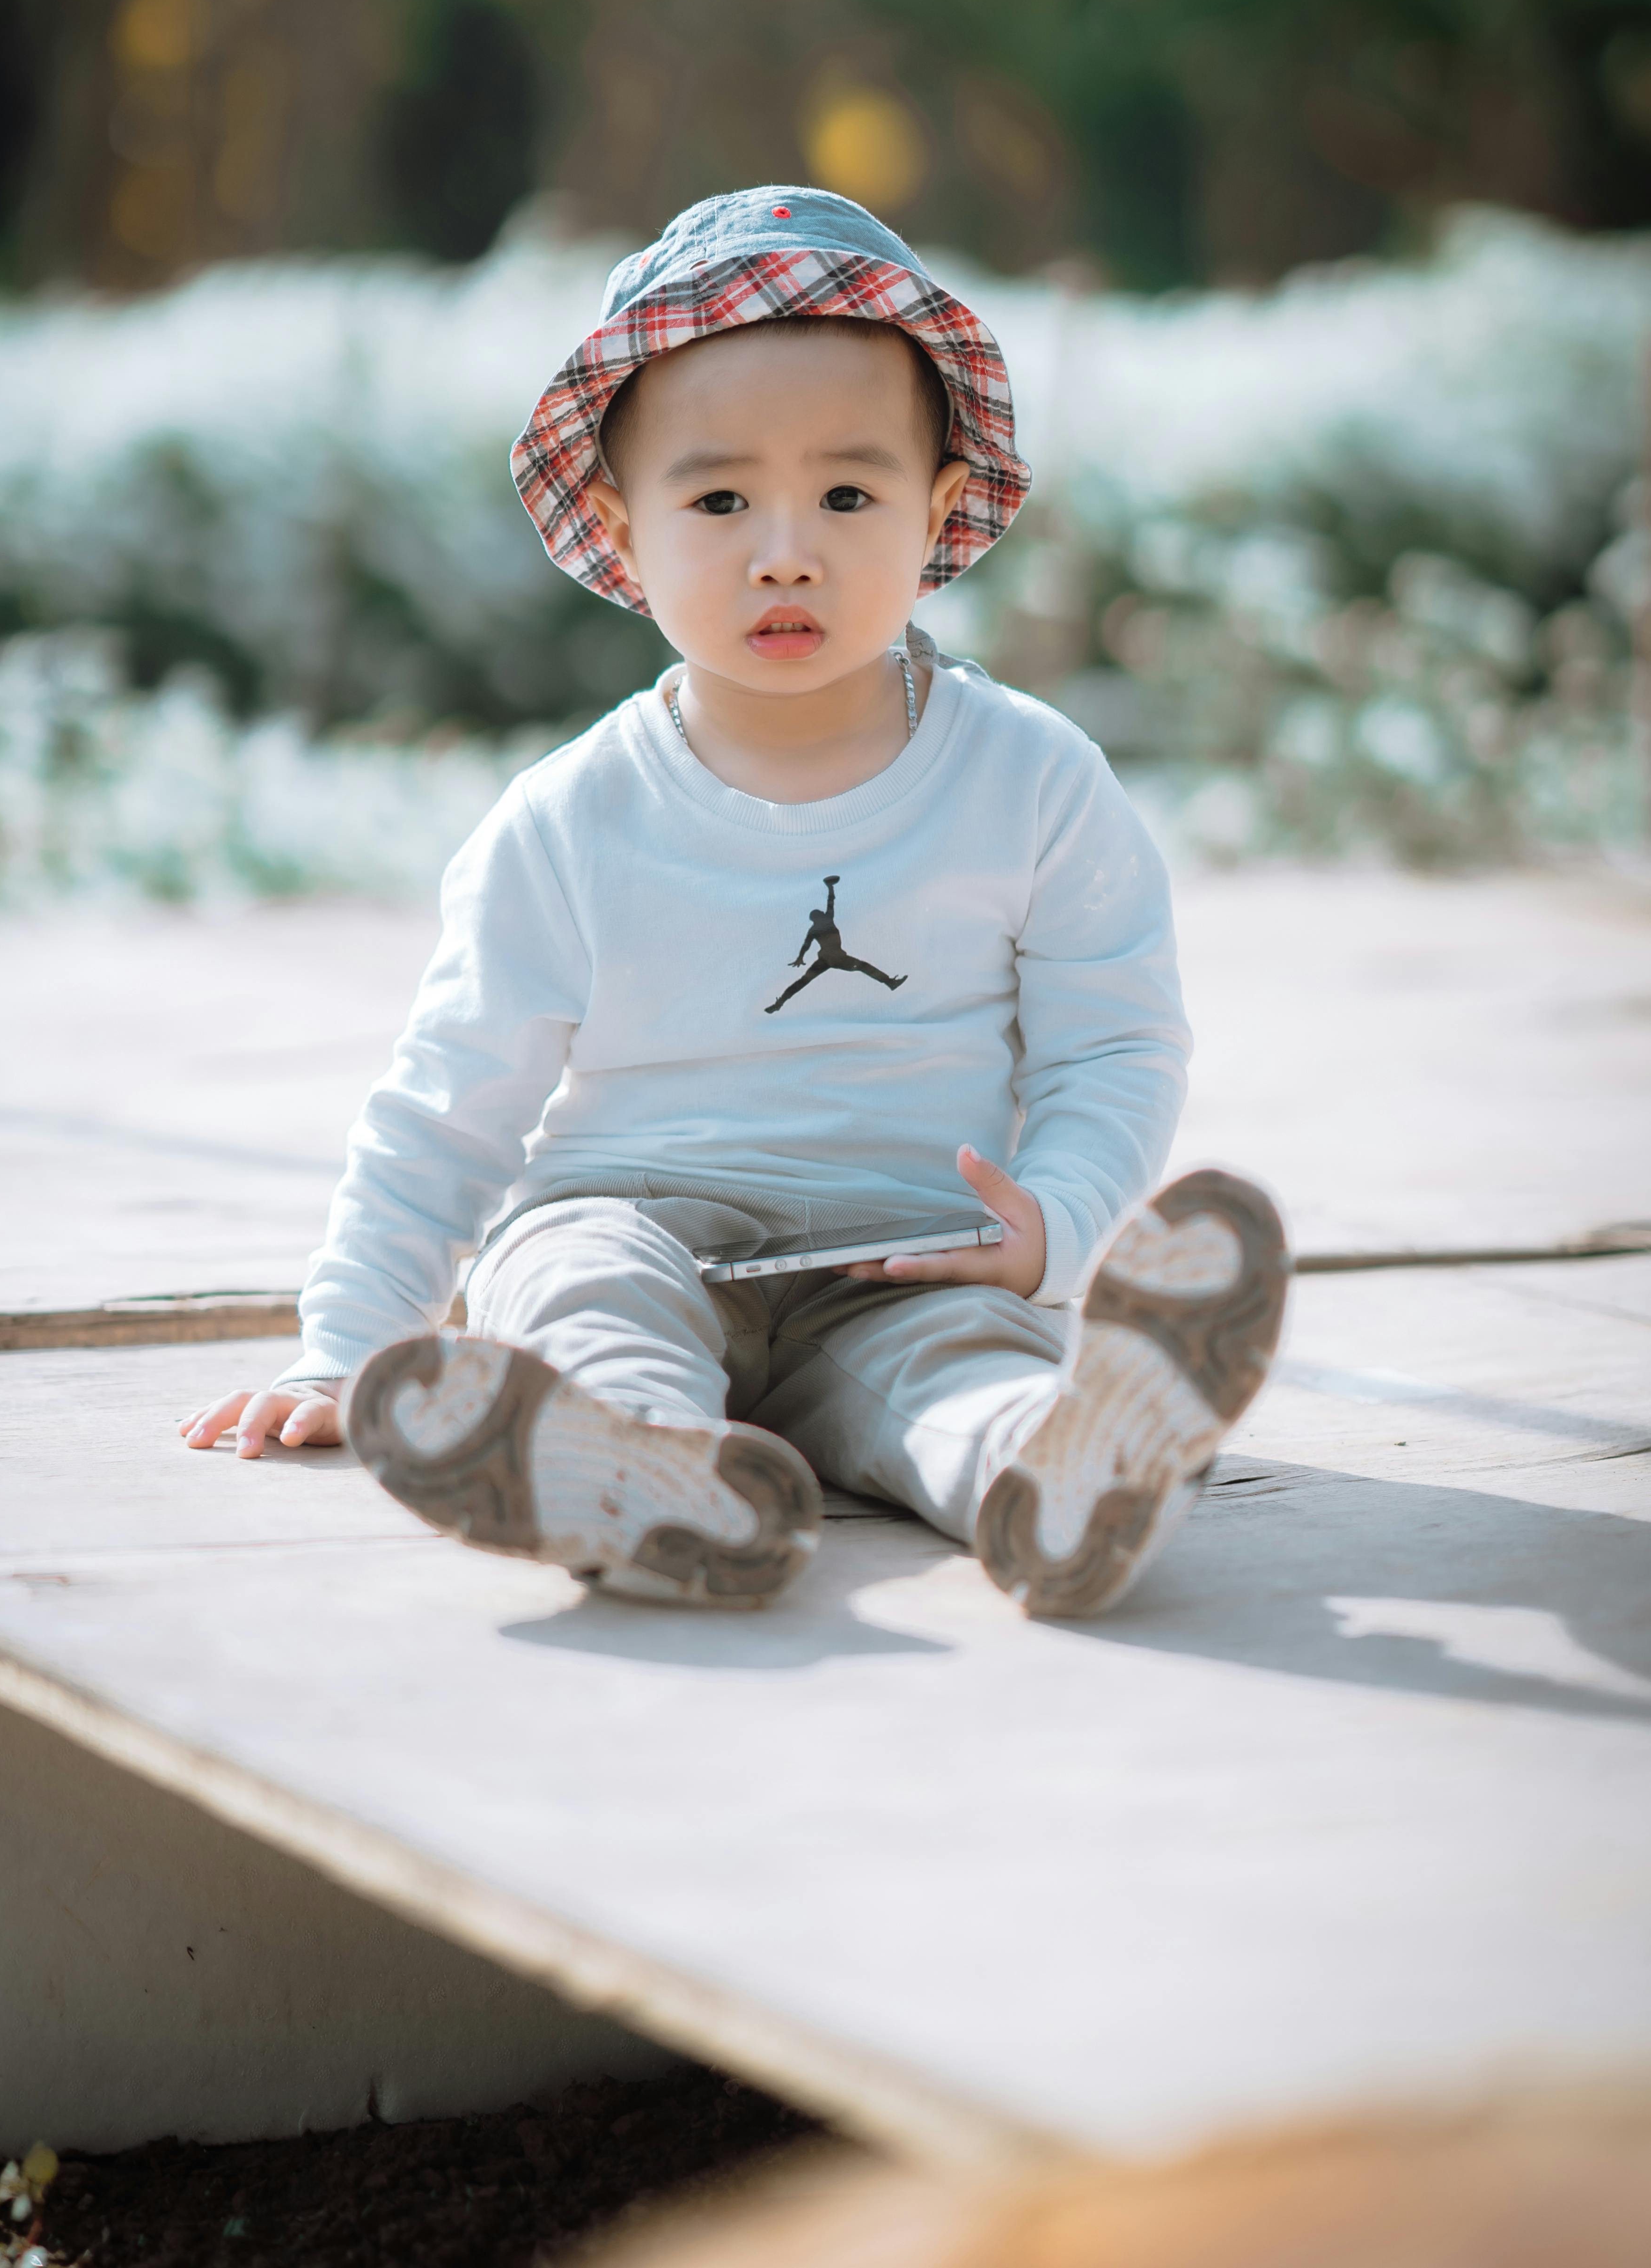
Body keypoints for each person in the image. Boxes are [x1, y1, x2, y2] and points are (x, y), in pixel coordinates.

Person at [180, 186, 1288, 1617]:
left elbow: (1111, 1042)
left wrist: (1054, 1225)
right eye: (717, 500)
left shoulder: (1029, 778)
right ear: (620, 531)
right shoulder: (571, 820)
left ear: (939, 510)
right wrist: (345, 1346)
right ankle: (647, 1470)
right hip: (634, 1219)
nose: (784, 549)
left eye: (847, 492)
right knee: (573, 1289)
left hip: (910, 1251)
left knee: (962, 1369)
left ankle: (1052, 1472)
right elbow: (448, 1106)